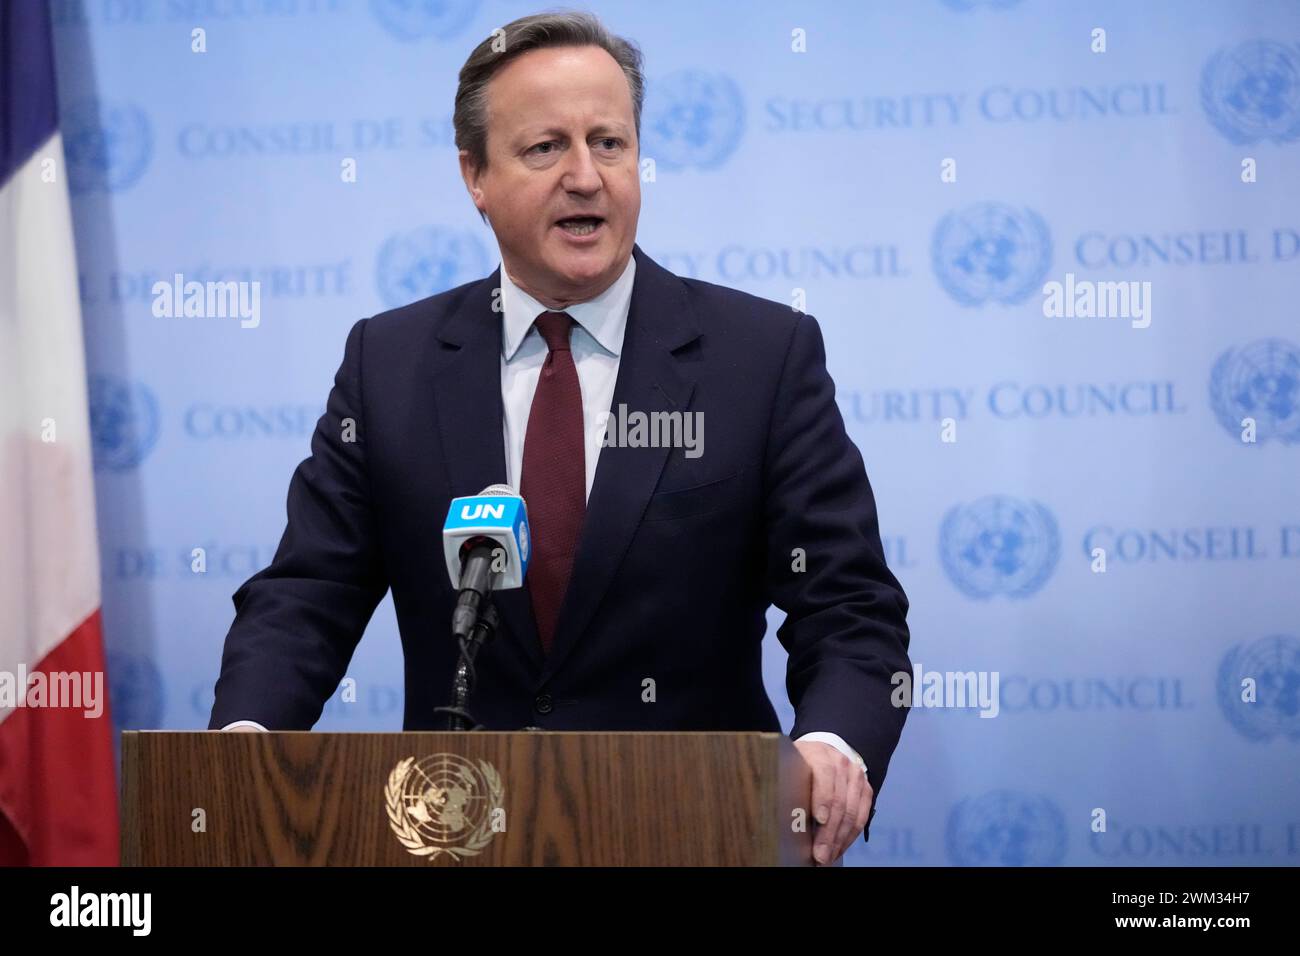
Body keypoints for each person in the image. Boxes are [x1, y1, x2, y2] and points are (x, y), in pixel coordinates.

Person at [209, 10, 911, 866]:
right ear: (474, 173)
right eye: (546, 148)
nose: (587, 176)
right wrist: (240, 749)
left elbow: (849, 607)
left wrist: (832, 747)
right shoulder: (387, 364)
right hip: (458, 836)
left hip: (703, 833)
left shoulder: (759, 358)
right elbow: (308, 593)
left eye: (610, 143)